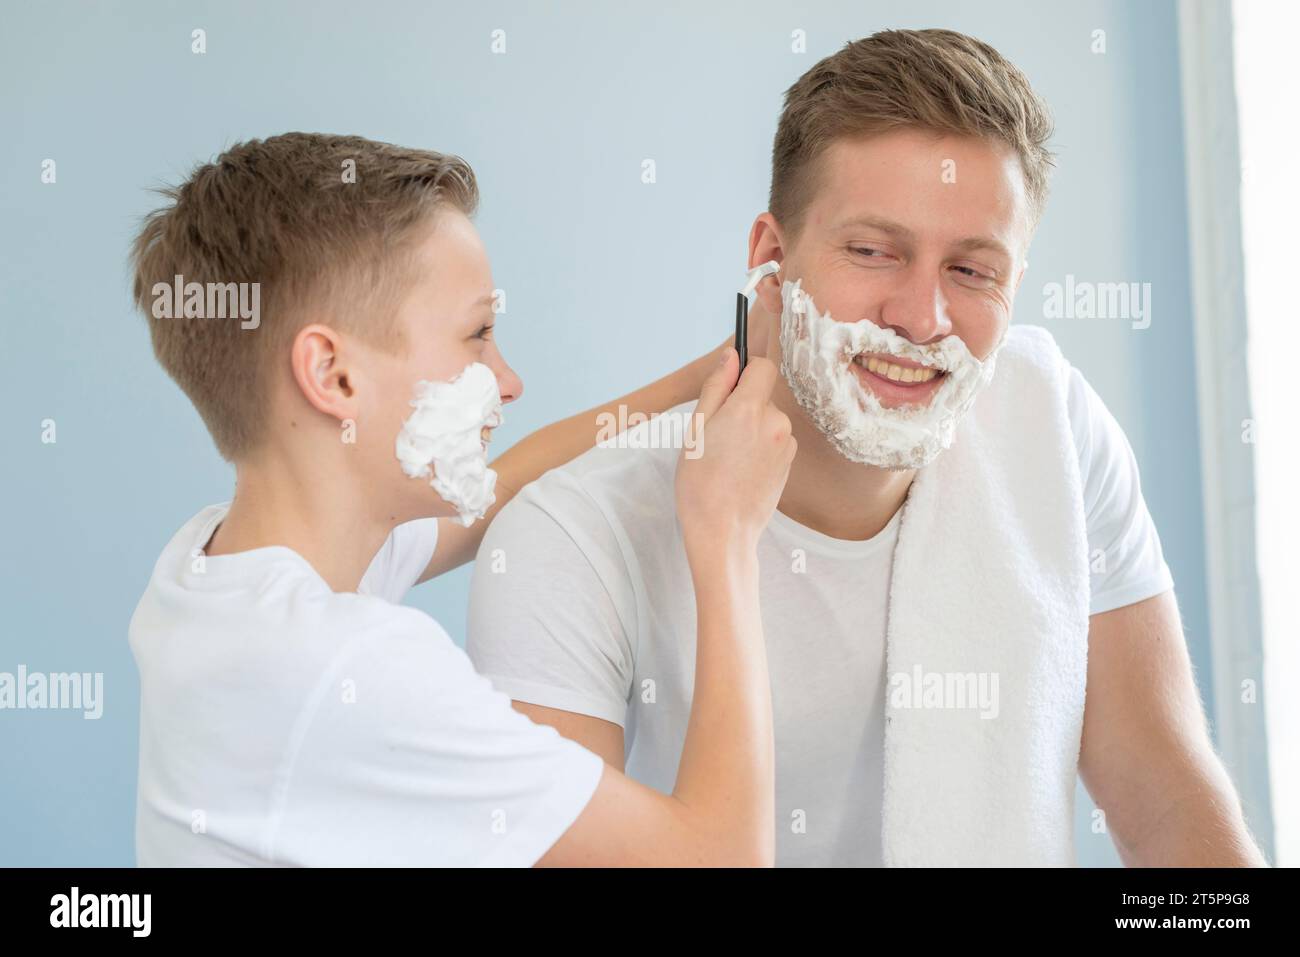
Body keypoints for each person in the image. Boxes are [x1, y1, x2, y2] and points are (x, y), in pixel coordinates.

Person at [466, 29, 1268, 866]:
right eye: (873, 251)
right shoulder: (573, 537)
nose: (922, 319)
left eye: (973, 270)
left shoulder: (1055, 435)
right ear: (770, 257)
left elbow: (1171, 800)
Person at [127, 132, 796, 866]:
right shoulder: (351, 668)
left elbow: (504, 484)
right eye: (477, 335)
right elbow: (720, 857)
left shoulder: (212, 568)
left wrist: (716, 366)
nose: (508, 380)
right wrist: (726, 532)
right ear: (335, 376)